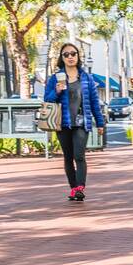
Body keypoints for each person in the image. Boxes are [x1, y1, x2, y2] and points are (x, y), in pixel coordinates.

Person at [44, 42, 105, 202]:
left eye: (73, 53)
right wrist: (57, 91)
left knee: (79, 155)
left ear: (78, 56)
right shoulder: (55, 78)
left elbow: (94, 103)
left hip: (81, 123)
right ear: (62, 58)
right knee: (68, 157)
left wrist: (100, 123)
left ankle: (80, 188)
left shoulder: (86, 78)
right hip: (62, 124)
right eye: (66, 54)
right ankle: (73, 188)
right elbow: (47, 100)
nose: (70, 57)